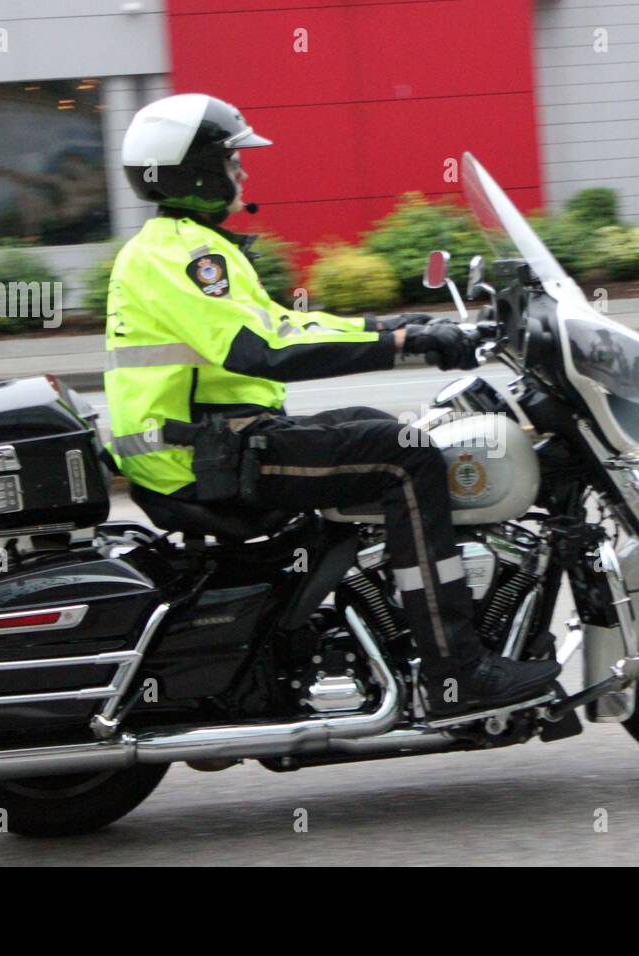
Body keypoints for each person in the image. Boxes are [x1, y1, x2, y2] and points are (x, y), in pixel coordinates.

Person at [106, 93, 559, 717]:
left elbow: (291, 325)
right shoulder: (182, 255)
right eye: (232, 160)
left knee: (378, 428)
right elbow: (264, 349)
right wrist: (406, 343)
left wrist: (401, 324)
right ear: (198, 170)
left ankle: (369, 621)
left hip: (217, 440)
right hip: (198, 456)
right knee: (406, 458)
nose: (244, 172)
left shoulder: (180, 246)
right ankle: (456, 670)